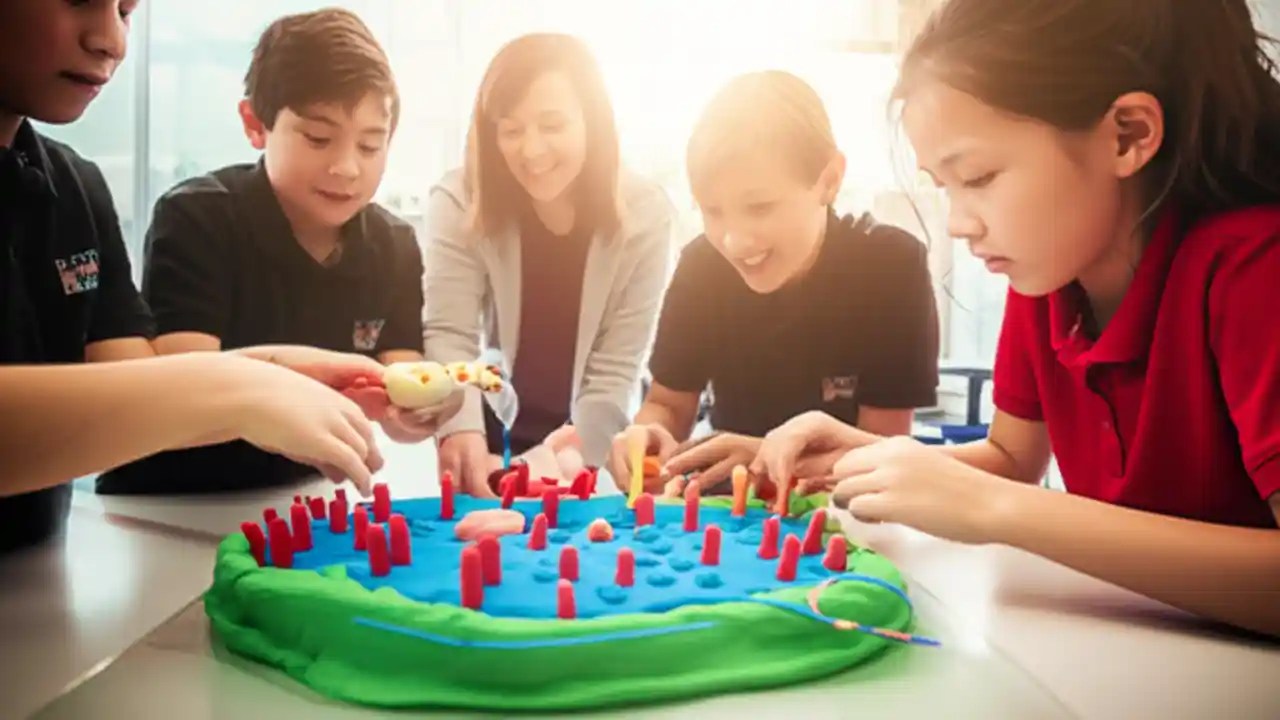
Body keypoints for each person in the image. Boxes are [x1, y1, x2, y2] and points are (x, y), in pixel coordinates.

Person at [755, 0, 1280, 638]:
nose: (957, 222)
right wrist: (855, 459)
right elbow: (1009, 458)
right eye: (944, 187)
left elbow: (1003, 494)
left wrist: (999, 508)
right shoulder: (1050, 277)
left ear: (1129, 134)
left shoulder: (1254, 269)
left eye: (978, 176)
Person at [0, 0, 386, 550]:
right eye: (82, 0)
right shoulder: (199, 212)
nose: (111, 40)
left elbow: (136, 394)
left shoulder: (74, 188)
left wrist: (276, 374)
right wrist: (240, 387)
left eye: (126, 11)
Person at [95, 8, 445, 494]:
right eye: (319, 138)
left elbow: (399, 377)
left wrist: (413, 411)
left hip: (295, 497)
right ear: (256, 124)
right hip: (175, 498)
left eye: (369, 145)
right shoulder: (198, 218)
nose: (346, 167)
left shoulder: (396, 245)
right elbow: (189, 385)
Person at [606, 71, 938, 495]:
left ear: (829, 180)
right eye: (713, 211)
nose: (734, 240)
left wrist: (764, 457)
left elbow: (885, 450)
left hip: (839, 513)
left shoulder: (890, 266)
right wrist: (646, 436)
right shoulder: (701, 266)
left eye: (759, 207)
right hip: (725, 510)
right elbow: (668, 403)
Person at [424, 33, 675, 496]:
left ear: (592, 122)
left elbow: (615, 370)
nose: (531, 151)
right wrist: (459, 429)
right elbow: (450, 336)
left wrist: (572, 452)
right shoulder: (459, 199)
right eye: (511, 130)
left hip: (585, 442)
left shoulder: (645, 215)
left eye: (552, 125)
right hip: (485, 437)